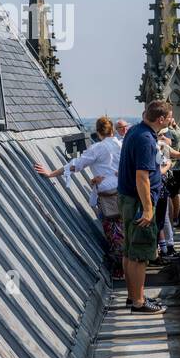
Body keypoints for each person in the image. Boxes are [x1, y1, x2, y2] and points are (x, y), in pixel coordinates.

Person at [35, 116, 124, 279]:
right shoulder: (121, 144)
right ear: (112, 130)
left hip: (108, 196)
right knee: (125, 230)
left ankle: (121, 270)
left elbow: (75, 165)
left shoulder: (98, 148)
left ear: (98, 132)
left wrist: (51, 174)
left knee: (115, 234)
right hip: (125, 192)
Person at [117, 100, 173, 313]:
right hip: (139, 202)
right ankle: (139, 302)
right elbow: (142, 177)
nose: (170, 120)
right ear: (160, 119)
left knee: (130, 251)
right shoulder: (145, 140)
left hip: (128, 199)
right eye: (169, 117)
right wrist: (148, 209)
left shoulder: (136, 131)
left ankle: (133, 297)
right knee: (140, 253)